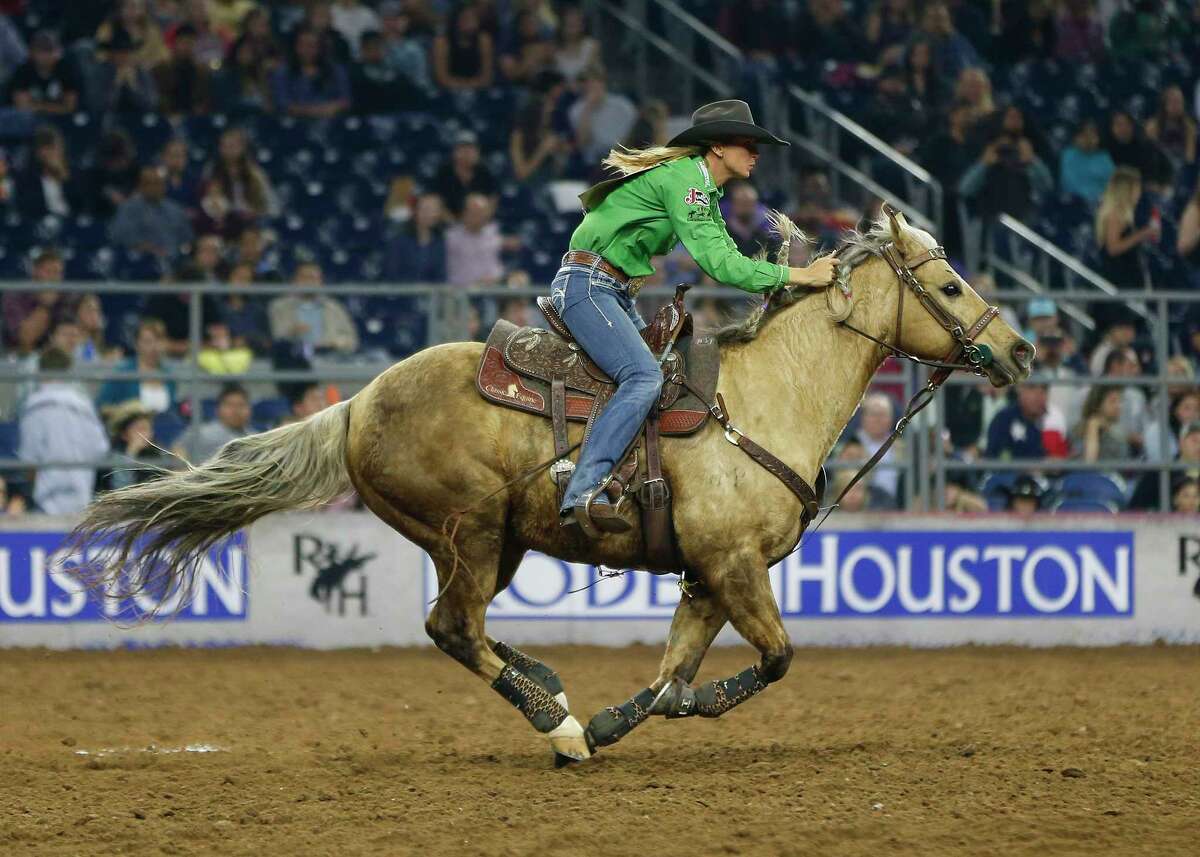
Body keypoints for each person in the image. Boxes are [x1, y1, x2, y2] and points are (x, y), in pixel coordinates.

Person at [551, 99, 840, 533]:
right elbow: (721, 265)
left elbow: (728, 256)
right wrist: (801, 275)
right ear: (718, 147)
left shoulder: (703, 189)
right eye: (747, 144)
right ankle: (584, 488)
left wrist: (787, 279)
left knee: (666, 376)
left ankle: (630, 479)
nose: (755, 154)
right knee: (644, 378)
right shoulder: (688, 184)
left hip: (608, 288)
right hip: (590, 285)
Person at [18, 347, 110, 515]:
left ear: (40, 371)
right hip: (82, 495)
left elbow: (29, 459)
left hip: (47, 500)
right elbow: (100, 449)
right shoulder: (83, 404)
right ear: (69, 370)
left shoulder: (34, 405)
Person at [268, 260, 359, 354]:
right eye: (305, 277)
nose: (309, 282)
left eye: (313, 278)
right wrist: (291, 333)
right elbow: (276, 338)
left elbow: (352, 341)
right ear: (295, 280)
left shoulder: (335, 308)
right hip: (294, 358)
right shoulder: (279, 307)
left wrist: (336, 343)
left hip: (330, 358)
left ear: (321, 282)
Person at [2, 247, 76, 355]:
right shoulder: (14, 297)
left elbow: (77, 336)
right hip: (18, 357)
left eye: (57, 272)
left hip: (60, 357)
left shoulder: (67, 297)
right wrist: (45, 305)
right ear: (35, 272)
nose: (53, 278)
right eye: (48, 272)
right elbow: (26, 339)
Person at [96, 317, 177, 415]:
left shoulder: (170, 376)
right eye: (148, 342)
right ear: (136, 344)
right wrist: (125, 412)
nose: (154, 347)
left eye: (159, 341)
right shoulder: (122, 374)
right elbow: (101, 406)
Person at [110, 165, 195, 258]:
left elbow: (187, 240)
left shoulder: (176, 209)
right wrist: (147, 248)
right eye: (149, 184)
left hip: (174, 259)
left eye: (159, 183)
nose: (154, 188)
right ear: (140, 186)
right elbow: (119, 236)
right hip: (141, 259)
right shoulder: (128, 208)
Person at [271, 25, 350, 118]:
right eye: (302, 45)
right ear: (295, 47)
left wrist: (333, 108)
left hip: (332, 121)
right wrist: (314, 111)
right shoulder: (282, 72)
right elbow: (283, 104)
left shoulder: (336, 70)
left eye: (312, 46)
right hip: (295, 122)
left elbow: (345, 100)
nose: (307, 50)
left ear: (320, 48)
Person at [568, 64, 637, 167]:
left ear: (603, 82)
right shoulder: (576, 110)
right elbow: (583, 142)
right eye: (587, 82)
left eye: (596, 80)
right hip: (595, 162)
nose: (592, 85)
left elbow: (635, 133)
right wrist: (587, 110)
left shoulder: (623, 105)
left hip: (623, 157)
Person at [172, 382, 253, 464]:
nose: (235, 411)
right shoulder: (202, 432)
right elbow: (178, 447)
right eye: (230, 405)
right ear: (218, 408)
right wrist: (185, 468)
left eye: (241, 405)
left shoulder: (254, 437)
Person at [5, 30, 81, 115]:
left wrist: (38, 106)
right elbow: (21, 105)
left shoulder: (67, 70)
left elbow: (70, 107)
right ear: (31, 52)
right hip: (30, 117)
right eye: (41, 51)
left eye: (49, 50)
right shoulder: (23, 70)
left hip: (62, 118)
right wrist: (55, 107)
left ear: (59, 51)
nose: (45, 56)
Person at [444, 193, 511, 287]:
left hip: (493, 289)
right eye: (474, 212)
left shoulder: (494, 234)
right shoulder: (451, 238)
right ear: (464, 213)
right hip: (462, 290)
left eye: (481, 213)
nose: (478, 217)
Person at [13, 125, 80, 219]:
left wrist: (62, 173)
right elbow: (29, 208)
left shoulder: (73, 173)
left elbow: (81, 205)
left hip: (71, 222)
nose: (52, 153)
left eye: (55, 148)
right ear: (37, 152)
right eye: (47, 148)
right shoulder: (26, 178)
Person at [1130, 421, 1200, 510]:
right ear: (1181, 443)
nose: (1199, 446)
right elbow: (1135, 509)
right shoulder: (1159, 473)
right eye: (1194, 440)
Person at [102, 399, 170, 490]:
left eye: (148, 429)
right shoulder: (113, 455)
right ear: (124, 434)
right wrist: (131, 453)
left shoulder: (157, 453)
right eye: (140, 429)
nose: (146, 434)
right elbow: (120, 488)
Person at [432, 130, 497, 218]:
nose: (467, 153)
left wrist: (482, 220)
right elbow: (436, 201)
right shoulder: (444, 172)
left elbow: (493, 199)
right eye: (463, 149)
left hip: (480, 221)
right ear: (454, 152)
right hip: (448, 222)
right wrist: (453, 222)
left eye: (471, 149)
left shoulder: (485, 172)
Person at [383, 192, 446, 282]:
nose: (431, 214)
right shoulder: (398, 242)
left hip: (432, 290)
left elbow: (441, 277)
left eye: (435, 210)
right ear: (415, 211)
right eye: (426, 210)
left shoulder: (440, 243)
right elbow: (392, 275)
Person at [152, 22, 212, 115]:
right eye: (183, 43)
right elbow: (159, 98)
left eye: (191, 43)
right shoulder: (162, 69)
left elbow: (205, 98)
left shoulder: (202, 71)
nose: (187, 47)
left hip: (195, 117)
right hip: (168, 116)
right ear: (175, 44)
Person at [856, 392, 904, 507]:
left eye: (883, 415)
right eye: (874, 414)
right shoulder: (851, 444)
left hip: (897, 508)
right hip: (862, 509)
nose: (878, 419)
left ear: (891, 418)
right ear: (863, 417)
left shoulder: (902, 447)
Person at [97, 28, 159, 115]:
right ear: (111, 54)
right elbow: (99, 106)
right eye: (120, 52)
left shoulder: (141, 72)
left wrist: (133, 86)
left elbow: (150, 104)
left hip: (137, 118)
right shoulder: (102, 72)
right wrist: (116, 84)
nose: (124, 57)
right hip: (110, 119)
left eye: (127, 52)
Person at [432, 4, 493, 92]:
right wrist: (462, 86)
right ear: (456, 21)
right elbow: (441, 79)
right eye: (467, 19)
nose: (472, 23)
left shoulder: (484, 40)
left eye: (474, 19)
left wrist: (470, 86)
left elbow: (487, 78)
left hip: (478, 90)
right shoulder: (442, 42)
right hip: (448, 91)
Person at [1069, 385, 1132, 463]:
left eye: (1120, 401)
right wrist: (1093, 426)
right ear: (1098, 404)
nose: (1119, 406)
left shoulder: (1118, 437)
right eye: (1112, 401)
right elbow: (1089, 463)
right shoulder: (1076, 432)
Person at [1059, 119, 1114, 206]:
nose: (1088, 139)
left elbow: (1111, 183)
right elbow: (1070, 184)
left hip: (1102, 202)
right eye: (1084, 135)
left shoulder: (1104, 157)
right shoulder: (1068, 155)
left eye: (1092, 134)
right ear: (1076, 137)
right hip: (1075, 203)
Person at [1144, 84, 1197, 170]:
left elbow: (1189, 158)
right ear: (1164, 104)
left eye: (1179, 102)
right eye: (1173, 102)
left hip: (1182, 168)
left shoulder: (1189, 126)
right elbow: (1152, 153)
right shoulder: (1153, 125)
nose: (1176, 106)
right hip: (1160, 168)